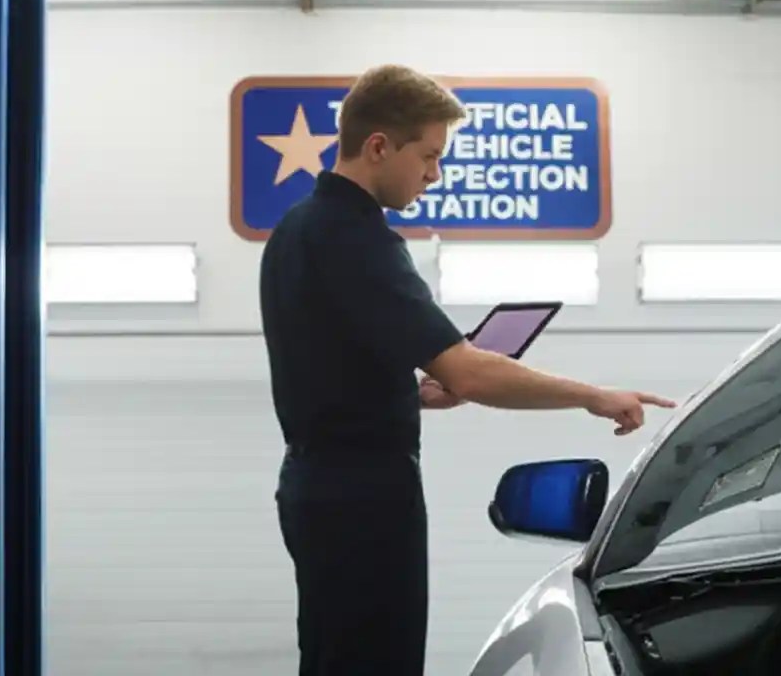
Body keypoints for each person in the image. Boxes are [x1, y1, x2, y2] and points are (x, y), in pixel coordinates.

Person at [259, 64, 676, 676]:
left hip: (316, 488)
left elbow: (325, 364)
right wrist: (593, 395)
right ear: (379, 146)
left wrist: (404, 394)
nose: (434, 174)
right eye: (428, 156)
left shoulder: (295, 230)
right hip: (363, 500)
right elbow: (473, 373)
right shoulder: (359, 238)